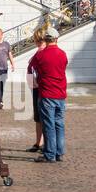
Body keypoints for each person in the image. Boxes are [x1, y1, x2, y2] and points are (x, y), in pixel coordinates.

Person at [31, 28, 68, 163]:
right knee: (59, 124)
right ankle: (59, 152)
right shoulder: (63, 54)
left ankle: (50, 154)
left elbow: (33, 69)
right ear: (56, 39)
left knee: (48, 125)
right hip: (61, 94)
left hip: (46, 93)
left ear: (45, 40)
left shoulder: (40, 55)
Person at [25, 32, 47, 153]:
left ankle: (43, 143)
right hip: (35, 87)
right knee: (38, 117)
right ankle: (39, 142)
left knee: (42, 117)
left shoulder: (42, 51)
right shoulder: (39, 51)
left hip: (39, 88)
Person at [0, 28, 13, 108]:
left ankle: (0, 100)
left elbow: (10, 54)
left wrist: (13, 64)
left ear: (2, 35)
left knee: (2, 85)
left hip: (5, 68)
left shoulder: (6, 44)